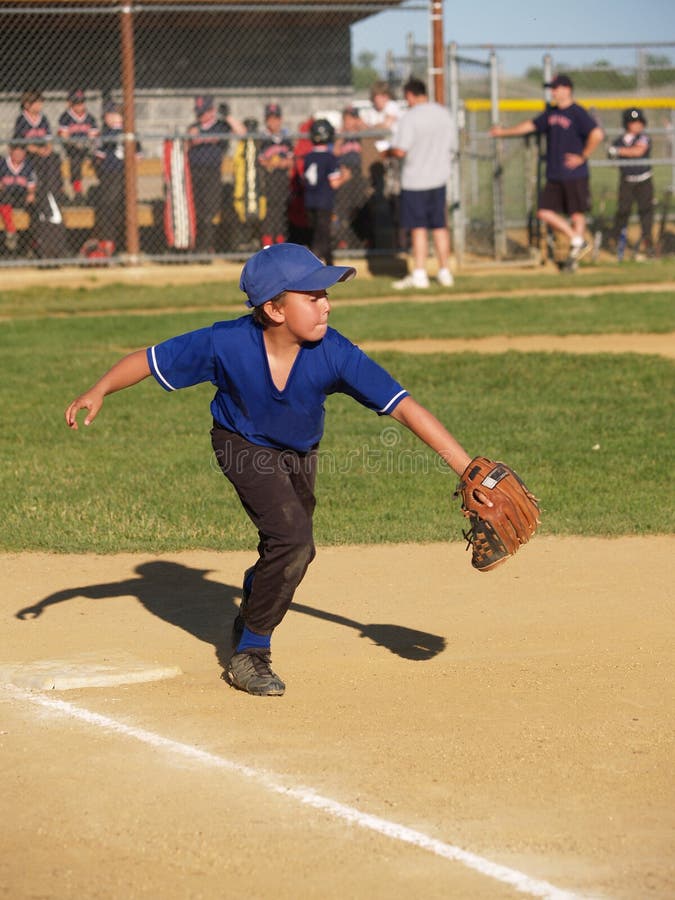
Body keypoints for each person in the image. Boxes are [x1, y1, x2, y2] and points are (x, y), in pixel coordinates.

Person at [64, 242, 489, 697]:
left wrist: (467, 469)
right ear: (274, 308)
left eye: (326, 295)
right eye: (313, 296)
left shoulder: (335, 352)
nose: (326, 305)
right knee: (293, 539)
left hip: (300, 453)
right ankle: (251, 651)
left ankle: (257, 589)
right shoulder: (224, 343)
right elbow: (150, 360)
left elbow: (403, 407)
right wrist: (100, 389)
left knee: (292, 549)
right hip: (240, 444)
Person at [490, 73, 604, 270]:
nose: (552, 92)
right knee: (543, 212)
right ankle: (578, 240)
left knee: (576, 214)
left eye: (555, 88)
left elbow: (597, 134)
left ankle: (573, 259)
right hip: (554, 173)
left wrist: (582, 156)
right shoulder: (550, 113)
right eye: (551, 88)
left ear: (567, 89)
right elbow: (531, 125)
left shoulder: (578, 112)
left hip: (574, 174)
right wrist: (503, 133)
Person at [385, 77, 455, 289]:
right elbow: (453, 146)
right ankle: (445, 271)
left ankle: (420, 274)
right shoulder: (444, 114)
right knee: (440, 227)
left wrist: (386, 152)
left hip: (415, 181)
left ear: (410, 95)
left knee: (418, 229)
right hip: (439, 179)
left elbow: (400, 150)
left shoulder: (410, 117)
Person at [187, 95, 245, 254]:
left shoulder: (221, 126)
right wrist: (191, 138)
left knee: (209, 211)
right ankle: (198, 247)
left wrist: (227, 116)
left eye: (204, 112)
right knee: (197, 210)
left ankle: (207, 247)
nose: (201, 116)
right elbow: (186, 144)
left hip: (212, 173)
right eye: (199, 113)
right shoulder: (194, 127)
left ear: (212, 111)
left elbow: (242, 132)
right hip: (194, 173)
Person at [92, 99, 142, 253]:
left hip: (114, 174)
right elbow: (137, 157)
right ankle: (116, 243)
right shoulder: (127, 131)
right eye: (107, 115)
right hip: (118, 175)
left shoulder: (114, 132)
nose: (108, 118)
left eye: (112, 114)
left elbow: (99, 157)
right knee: (114, 207)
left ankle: (113, 242)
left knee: (111, 207)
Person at [302, 117, 350, 265]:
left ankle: (330, 263)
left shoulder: (308, 157)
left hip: (309, 201)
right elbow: (334, 183)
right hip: (324, 201)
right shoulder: (330, 158)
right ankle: (312, 265)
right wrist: (345, 177)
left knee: (322, 232)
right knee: (321, 235)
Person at [609, 107, 654, 259]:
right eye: (633, 122)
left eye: (639, 122)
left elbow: (638, 151)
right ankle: (615, 240)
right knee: (623, 210)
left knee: (646, 212)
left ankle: (648, 244)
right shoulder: (619, 141)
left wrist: (617, 151)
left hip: (644, 180)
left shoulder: (643, 138)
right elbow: (612, 160)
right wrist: (611, 151)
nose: (637, 125)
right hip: (627, 181)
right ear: (627, 124)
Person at [333, 106, 372, 249]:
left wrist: (361, 126)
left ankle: (362, 242)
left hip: (359, 175)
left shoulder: (362, 134)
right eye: (347, 119)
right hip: (344, 174)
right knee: (343, 210)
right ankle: (344, 242)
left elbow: (372, 144)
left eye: (352, 118)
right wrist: (342, 135)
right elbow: (335, 152)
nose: (350, 122)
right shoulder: (340, 135)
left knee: (361, 210)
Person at [257, 102, 294, 247]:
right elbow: (261, 161)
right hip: (267, 181)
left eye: (276, 118)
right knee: (269, 211)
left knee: (281, 210)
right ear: (266, 120)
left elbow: (290, 161)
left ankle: (280, 241)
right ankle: (267, 242)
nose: (273, 122)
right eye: (270, 119)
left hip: (282, 180)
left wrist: (279, 163)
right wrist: (272, 163)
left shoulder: (286, 138)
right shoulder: (263, 139)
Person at [58, 88, 99, 202]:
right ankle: (77, 191)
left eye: (81, 102)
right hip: (72, 149)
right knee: (75, 160)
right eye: (76, 103)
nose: (79, 106)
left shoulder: (90, 117)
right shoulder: (65, 117)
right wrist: (76, 143)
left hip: (87, 147)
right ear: (70, 103)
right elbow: (64, 136)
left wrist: (88, 145)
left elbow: (94, 136)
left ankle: (100, 190)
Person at [0, 142, 36, 253]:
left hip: (21, 196)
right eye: (17, 151)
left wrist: (31, 194)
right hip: (6, 196)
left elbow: (31, 186)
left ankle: (32, 244)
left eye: (22, 151)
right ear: (11, 151)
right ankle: (11, 232)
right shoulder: (2, 164)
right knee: (5, 197)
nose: (19, 154)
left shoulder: (28, 165)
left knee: (35, 208)